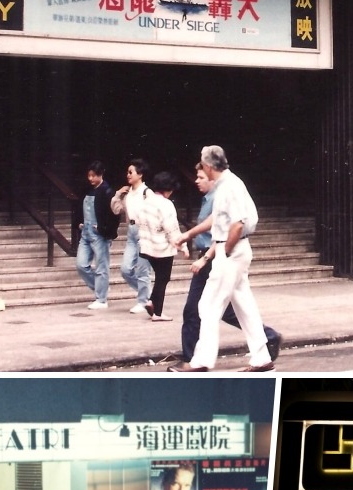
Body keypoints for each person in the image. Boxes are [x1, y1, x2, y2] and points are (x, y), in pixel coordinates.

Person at [169, 146, 272, 373]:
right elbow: (218, 218)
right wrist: (189, 234)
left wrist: (225, 250)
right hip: (235, 250)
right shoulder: (229, 184)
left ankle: (201, 361)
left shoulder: (228, 187)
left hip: (230, 250)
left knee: (208, 305)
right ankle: (262, 358)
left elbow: (237, 224)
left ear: (208, 166)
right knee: (244, 306)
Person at [137, 171, 183, 321]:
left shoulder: (146, 202)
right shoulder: (166, 204)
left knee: (160, 277)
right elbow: (171, 228)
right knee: (163, 278)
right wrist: (182, 245)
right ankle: (157, 312)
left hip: (147, 245)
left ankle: (152, 302)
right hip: (162, 247)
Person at [74, 160, 118, 310]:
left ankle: (101, 299)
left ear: (101, 174)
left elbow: (114, 215)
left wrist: (105, 230)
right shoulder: (87, 189)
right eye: (89, 175)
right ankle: (102, 288)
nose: (91, 178)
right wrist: (79, 223)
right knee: (81, 265)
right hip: (86, 232)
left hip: (99, 234)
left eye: (94, 175)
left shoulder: (108, 191)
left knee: (101, 266)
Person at [110, 158, 153, 314]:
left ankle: (143, 301)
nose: (128, 175)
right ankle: (147, 295)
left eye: (131, 172)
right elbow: (116, 210)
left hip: (144, 231)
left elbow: (154, 212)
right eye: (127, 172)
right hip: (131, 231)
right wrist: (118, 194)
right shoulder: (127, 193)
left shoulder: (147, 193)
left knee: (143, 270)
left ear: (140, 174)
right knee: (125, 269)